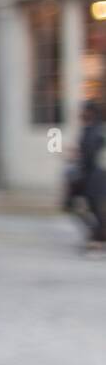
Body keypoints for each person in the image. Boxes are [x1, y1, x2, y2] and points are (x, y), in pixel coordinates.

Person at [74, 101, 106, 253]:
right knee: (90, 209)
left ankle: (97, 239)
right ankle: (96, 237)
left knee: (93, 208)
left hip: (95, 177)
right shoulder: (92, 129)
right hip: (90, 176)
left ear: (90, 112)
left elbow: (89, 154)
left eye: (83, 111)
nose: (80, 114)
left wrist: (76, 158)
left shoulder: (95, 130)